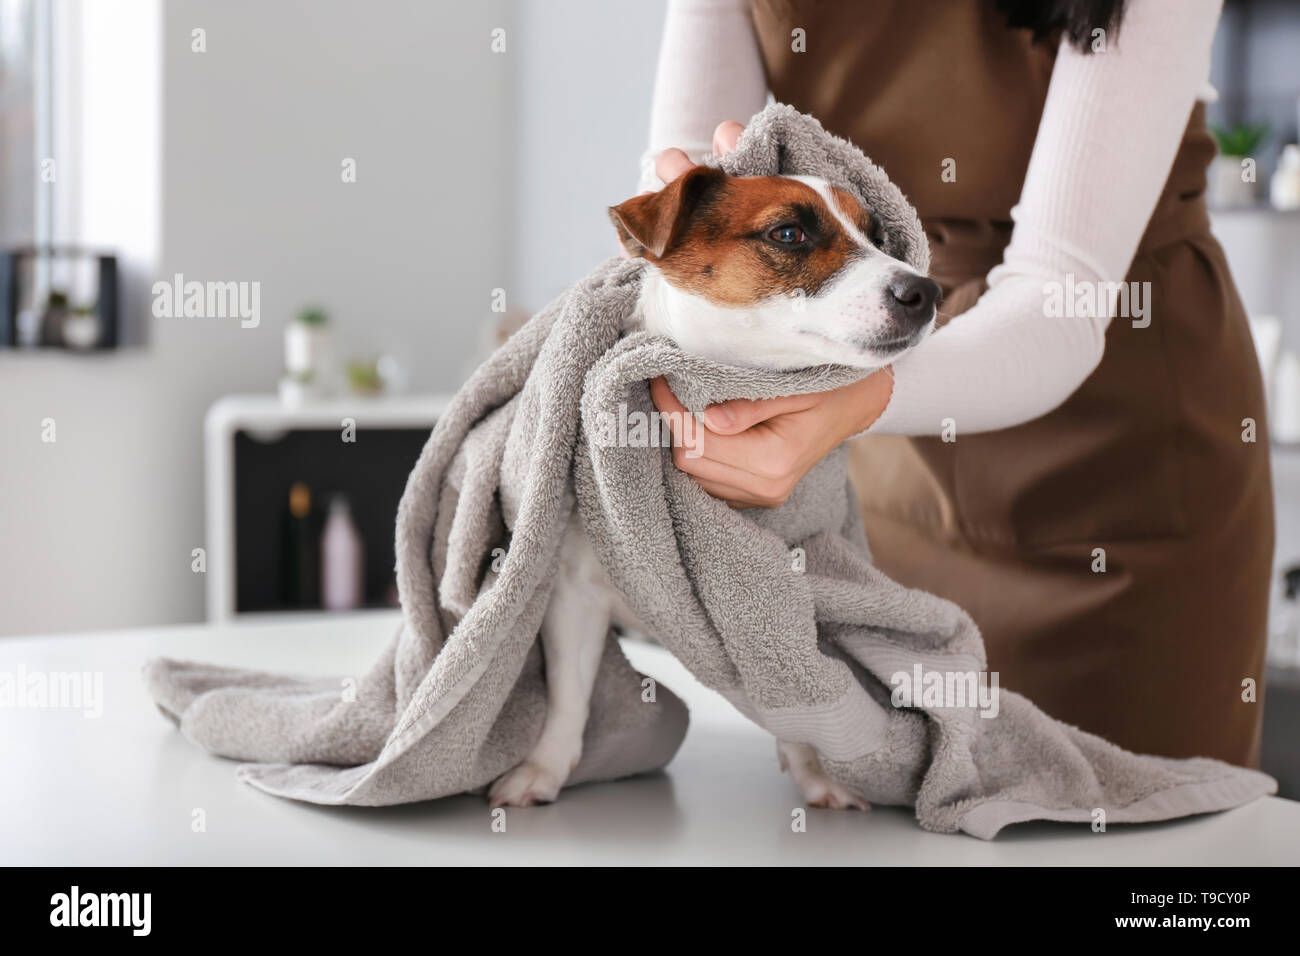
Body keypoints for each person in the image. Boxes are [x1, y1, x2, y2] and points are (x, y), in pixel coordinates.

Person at [644, 0, 1273, 766]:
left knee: (1135, 828)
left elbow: (1059, 297)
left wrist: (850, 400)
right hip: (876, 450)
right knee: (881, 805)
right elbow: (684, 213)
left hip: (1120, 457)